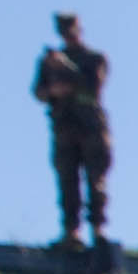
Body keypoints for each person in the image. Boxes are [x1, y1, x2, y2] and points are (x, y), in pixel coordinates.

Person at [33, 14, 109, 249]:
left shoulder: (93, 58)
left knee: (95, 179)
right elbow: (38, 92)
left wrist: (67, 68)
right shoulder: (49, 61)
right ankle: (71, 232)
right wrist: (53, 91)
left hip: (91, 127)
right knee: (67, 181)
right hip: (64, 128)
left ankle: (98, 229)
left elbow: (93, 87)